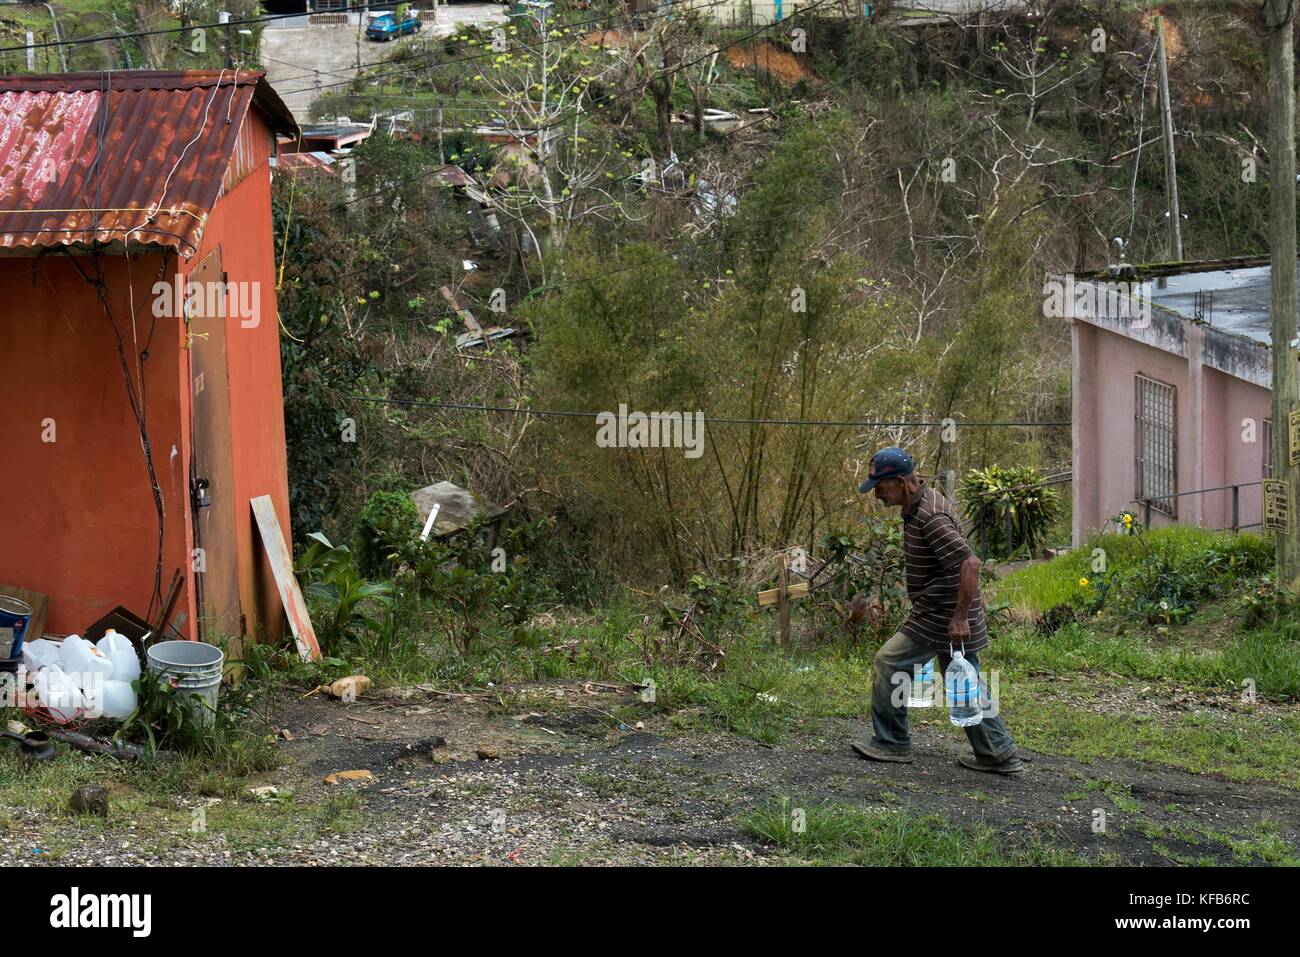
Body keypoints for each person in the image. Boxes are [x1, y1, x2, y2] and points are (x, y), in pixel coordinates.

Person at [852, 446, 1026, 774]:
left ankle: (892, 743)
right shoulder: (921, 506)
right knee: (964, 683)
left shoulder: (929, 517)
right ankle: (997, 753)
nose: (877, 495)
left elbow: (970, 564)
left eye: (880, 487)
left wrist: (959, 617)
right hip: (940, 612)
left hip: (942, 616)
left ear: (902, 482)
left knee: (888, 661)